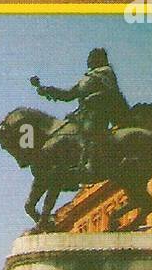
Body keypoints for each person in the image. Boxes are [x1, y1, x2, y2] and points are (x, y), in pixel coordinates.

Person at [30, 48, 128, 179]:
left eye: (92, 57)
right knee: (67, 131)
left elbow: (112, 91)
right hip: (84, 113)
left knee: (89, 131)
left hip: (99, 110)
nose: (89, 60)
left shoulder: (105, 72)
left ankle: (90, 165)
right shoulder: (86, 78)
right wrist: (47, 90)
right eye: (89, 58)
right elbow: (68, 94)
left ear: (99, 59)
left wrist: (94, 97)